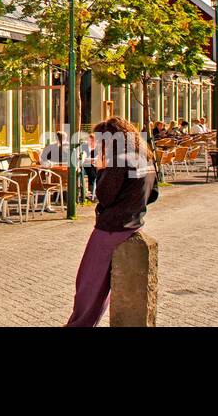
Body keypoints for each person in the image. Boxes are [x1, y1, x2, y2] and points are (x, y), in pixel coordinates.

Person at [65, 117, 159, 328]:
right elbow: (154, 194)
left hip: (112, 227)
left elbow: (104, 195)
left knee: (89, 282)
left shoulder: (119, 160)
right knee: (97, 283)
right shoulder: (145, 157)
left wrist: (101, 169)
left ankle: (80, 324)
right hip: (135, 222)